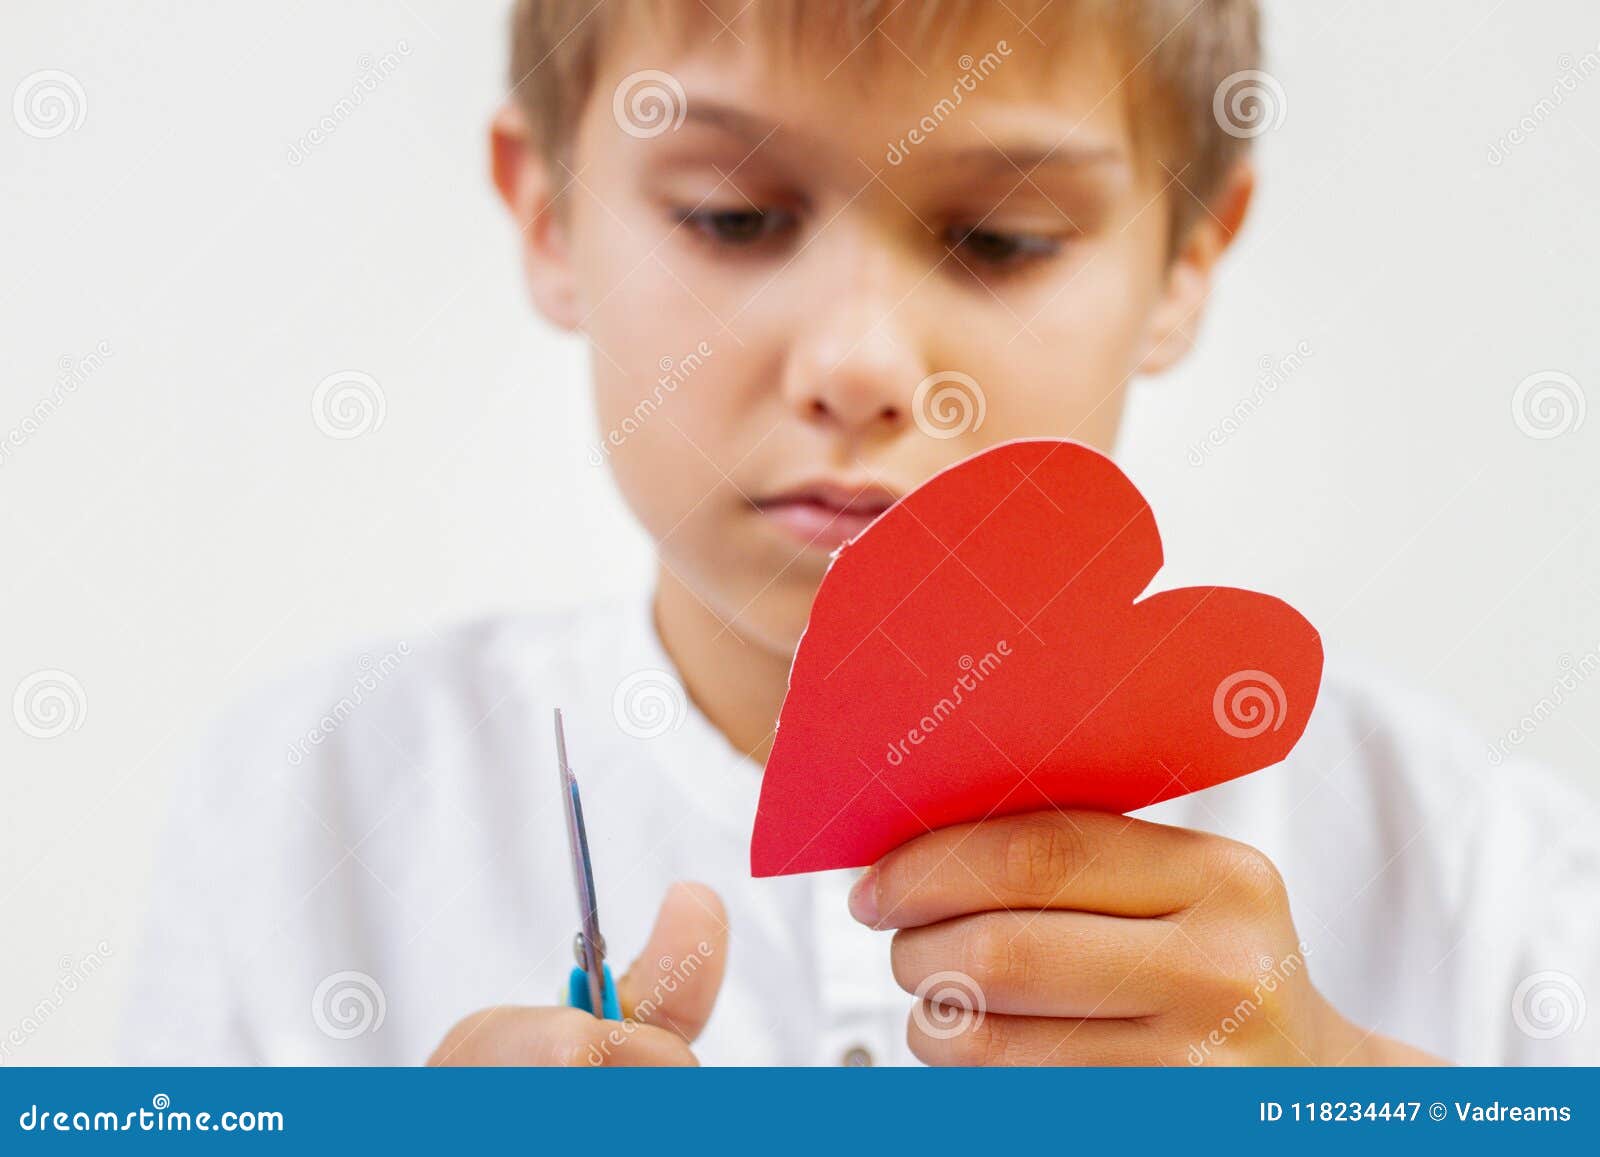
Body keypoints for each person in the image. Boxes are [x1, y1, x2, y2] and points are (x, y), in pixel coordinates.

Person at [122, 0, 1598, 1066]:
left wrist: (1344, 1100)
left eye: (1001, 238)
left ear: (1187, 265)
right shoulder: (303, 814)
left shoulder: (1471, 873)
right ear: (550, 216)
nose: (864, 362)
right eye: (732, 215)